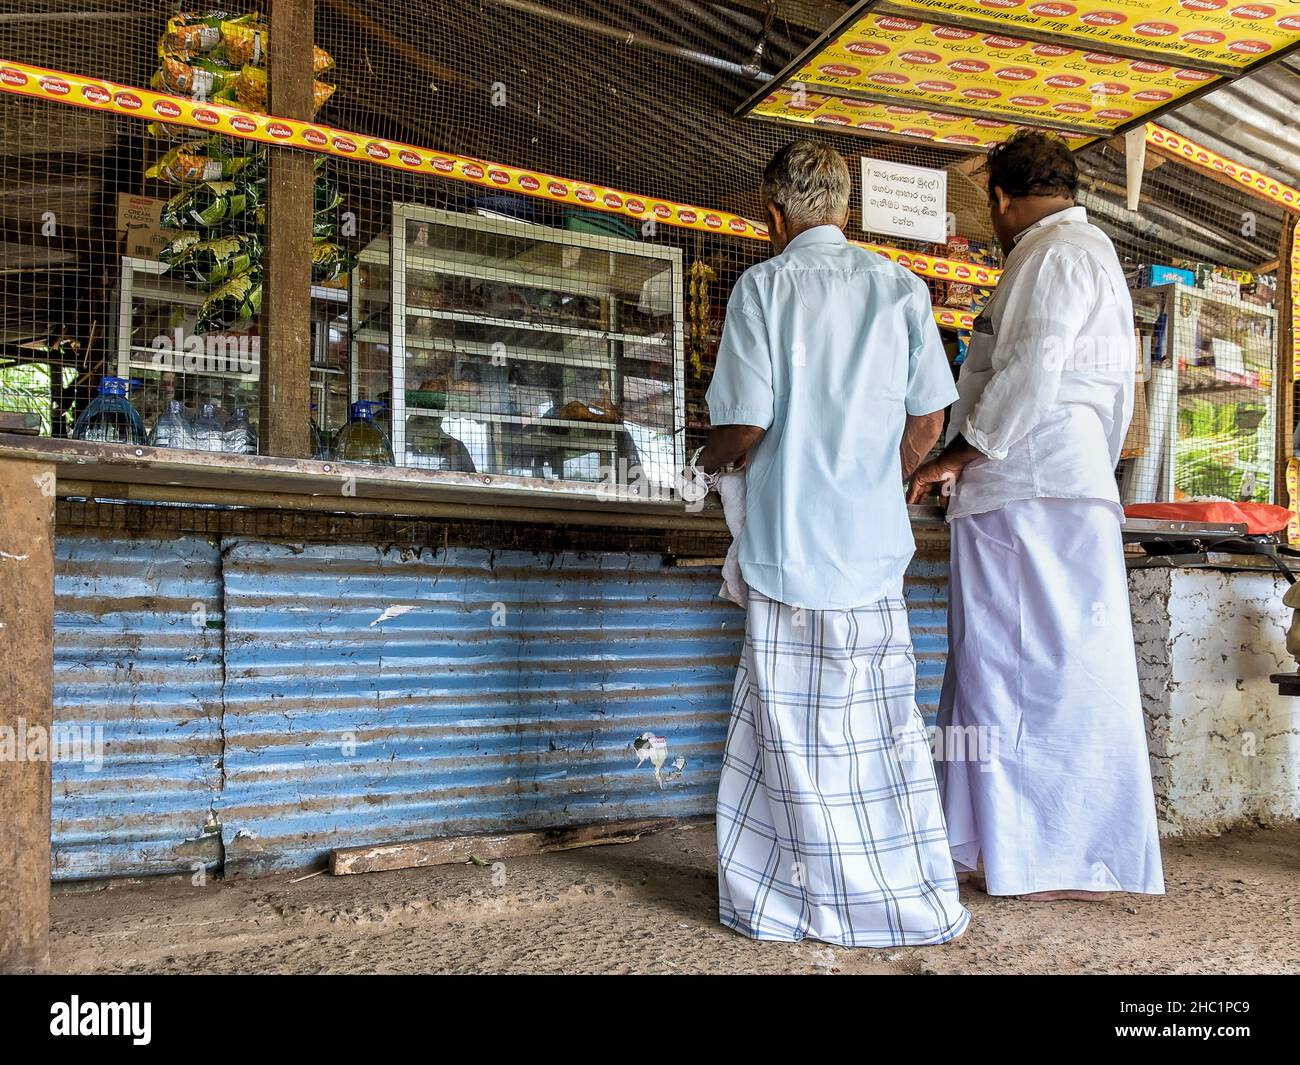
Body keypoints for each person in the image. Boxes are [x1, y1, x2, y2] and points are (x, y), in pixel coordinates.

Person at [700, 139, 970, 947]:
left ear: (772, 214)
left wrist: (706, 455)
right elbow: (930, 417)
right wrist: (881, 474)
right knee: (878, 736)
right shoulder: (899, 286)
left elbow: (745, 423)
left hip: (790, 553)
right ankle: (896, 895)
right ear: (844, 211)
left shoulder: (764, 287)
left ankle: (791, 900)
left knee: (789, 738)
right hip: (874, 556)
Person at [908, 130, 1165, 901]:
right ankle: (1011, 844)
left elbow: (1030, 369)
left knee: (1005, 670)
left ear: (1001, 198)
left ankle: (1032, 855)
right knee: (1056, 672)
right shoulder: (1095, 258)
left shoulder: (1048, 256)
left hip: (1025, 487)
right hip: (1069, 481)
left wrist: (959, 454)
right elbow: (1114, 400)